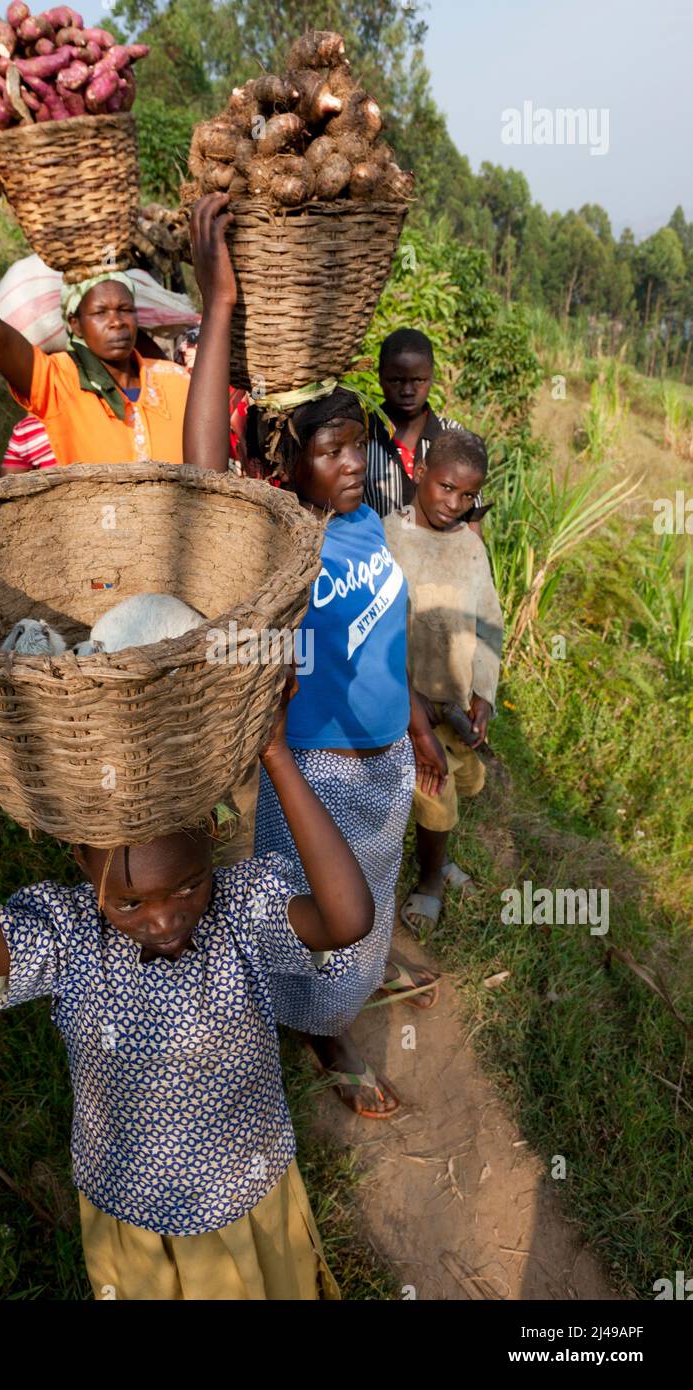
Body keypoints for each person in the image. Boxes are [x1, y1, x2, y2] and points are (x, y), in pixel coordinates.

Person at [0, 679, 375, 1301]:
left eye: (187, 887)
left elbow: (348, 920)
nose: (165, 919)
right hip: (131, 1201)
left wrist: (277, 756)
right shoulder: (66, 936)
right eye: (128, 902)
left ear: (211, 841)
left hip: (247, 1185)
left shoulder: (240, 910)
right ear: (79, 861)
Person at [184, 193, 449, 1120]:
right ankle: (311, 1029)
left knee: (362, 904)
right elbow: (201, 478)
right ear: (287, 467)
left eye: (355, 449)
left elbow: (388, 630)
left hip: (380, 769)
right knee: (312, 920)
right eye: (329, 453)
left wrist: (416, 719)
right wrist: (221, 307)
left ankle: (334, 1004)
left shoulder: (369, 523)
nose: (349, 466)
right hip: (318, 774)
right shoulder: (280, 538)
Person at [0, 130, 211, 478]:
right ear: (74, 323)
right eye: (100, 313)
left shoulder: (175, 381)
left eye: (125, 310)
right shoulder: (56, 383)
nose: (118, 322)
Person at [383, 430, 504, 934]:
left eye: (467, 496)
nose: (454, 504)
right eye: (446, 488)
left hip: (453, 705)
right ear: (418, 474)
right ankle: (429, 879)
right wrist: (412, 710)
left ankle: (440, 858)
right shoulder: (390, 536)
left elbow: (488, 622)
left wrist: (483, 696)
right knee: (433, 796)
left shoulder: (470, 550)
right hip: (403, 706)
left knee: (456, 786)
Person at [365, 328, 485, 534]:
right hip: (378, 561)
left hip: (441, 559)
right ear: (380, 377)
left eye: (418, 380)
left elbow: (472, 519)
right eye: (396, 380)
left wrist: (475, 562)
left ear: (431, 376)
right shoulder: (362, 436)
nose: (407, 391)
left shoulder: (453, 436)